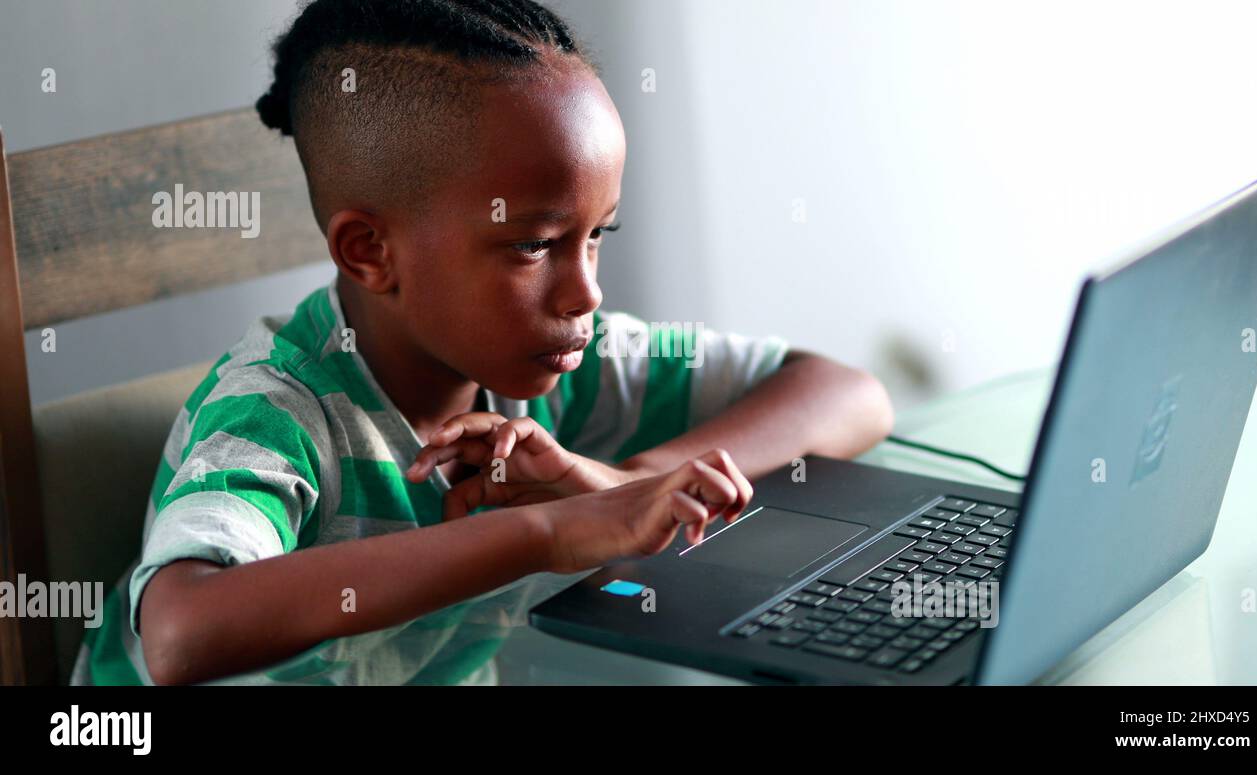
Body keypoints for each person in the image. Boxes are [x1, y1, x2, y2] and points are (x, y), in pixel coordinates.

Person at [72, 0, 894, 686]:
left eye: (597, 235)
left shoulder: (552, 360)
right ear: (369, 251)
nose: (587, 292)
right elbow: (182, 631)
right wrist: (550, 531)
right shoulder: (276, 414)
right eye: (533, 245)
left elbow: (847, 394)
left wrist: (624, 483)